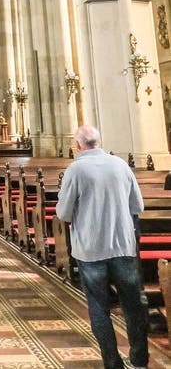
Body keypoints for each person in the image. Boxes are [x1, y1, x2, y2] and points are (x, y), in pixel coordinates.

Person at [56, 126, 148, 369]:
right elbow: (137, 205)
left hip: (91, 248)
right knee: (133, 303)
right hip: (121, 246)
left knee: (98, 305)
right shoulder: (120, 165)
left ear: (77, 145)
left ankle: (112, 362)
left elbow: (64, 213)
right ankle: (140, 358)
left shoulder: (75, 170)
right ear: (99, 142)